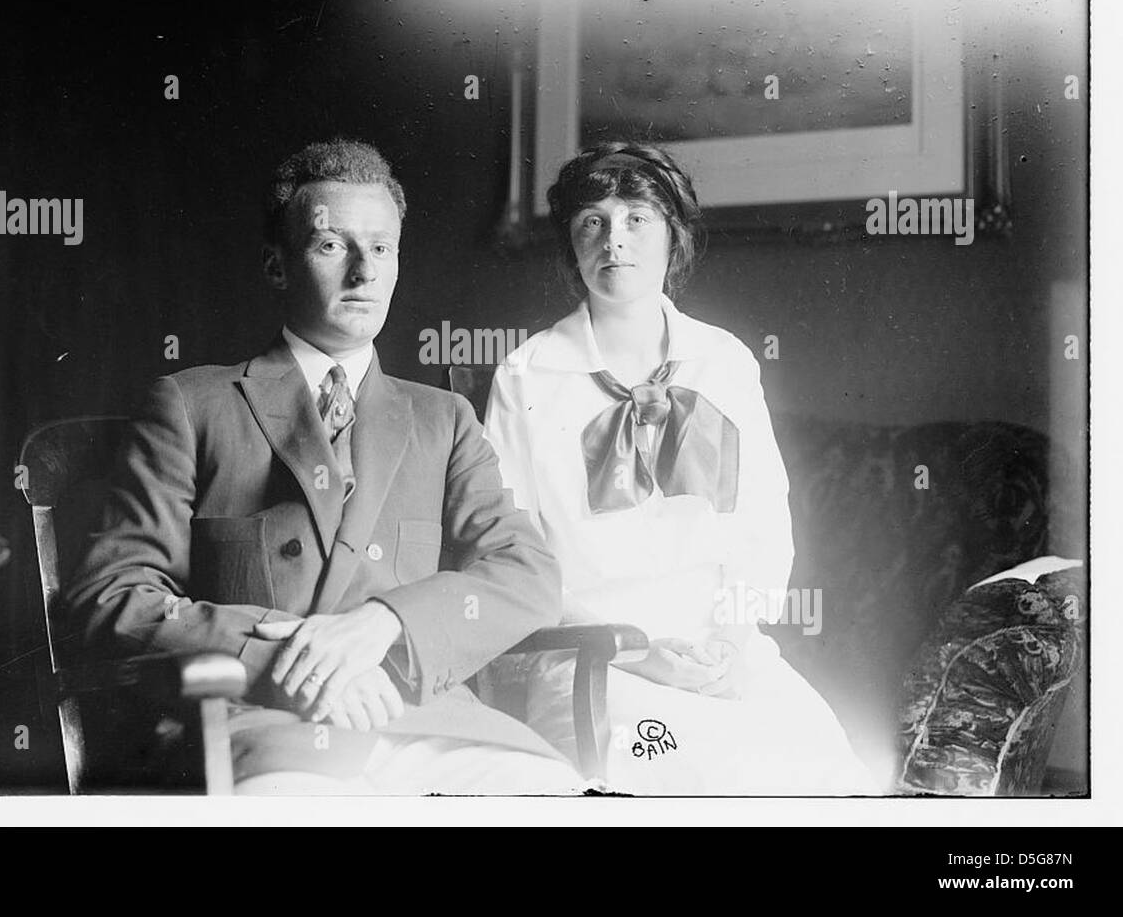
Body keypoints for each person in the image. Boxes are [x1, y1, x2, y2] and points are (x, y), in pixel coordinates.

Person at [68, 138, 583, 795]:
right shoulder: (194, 404)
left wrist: (386, 622)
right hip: (264, 723)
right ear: (277, 265)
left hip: (428, 722)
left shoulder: (443, 418)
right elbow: (115, 594)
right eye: (333, 245)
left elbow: (528, 572)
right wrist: (290, 654)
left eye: (382, 248)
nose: (364, 272)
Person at [483, 142, 874, 794]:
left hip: (719, 649)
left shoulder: (724, 360)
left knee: (826, 773)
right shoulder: (526, 375)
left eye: (637, 218)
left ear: (675, 237)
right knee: (677, 777)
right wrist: (640, 652)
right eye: (592, 222)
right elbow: (513, 556)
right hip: (591, 655)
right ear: (571, 246)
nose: (614, 240)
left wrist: (730, 638)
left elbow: (762, 528)